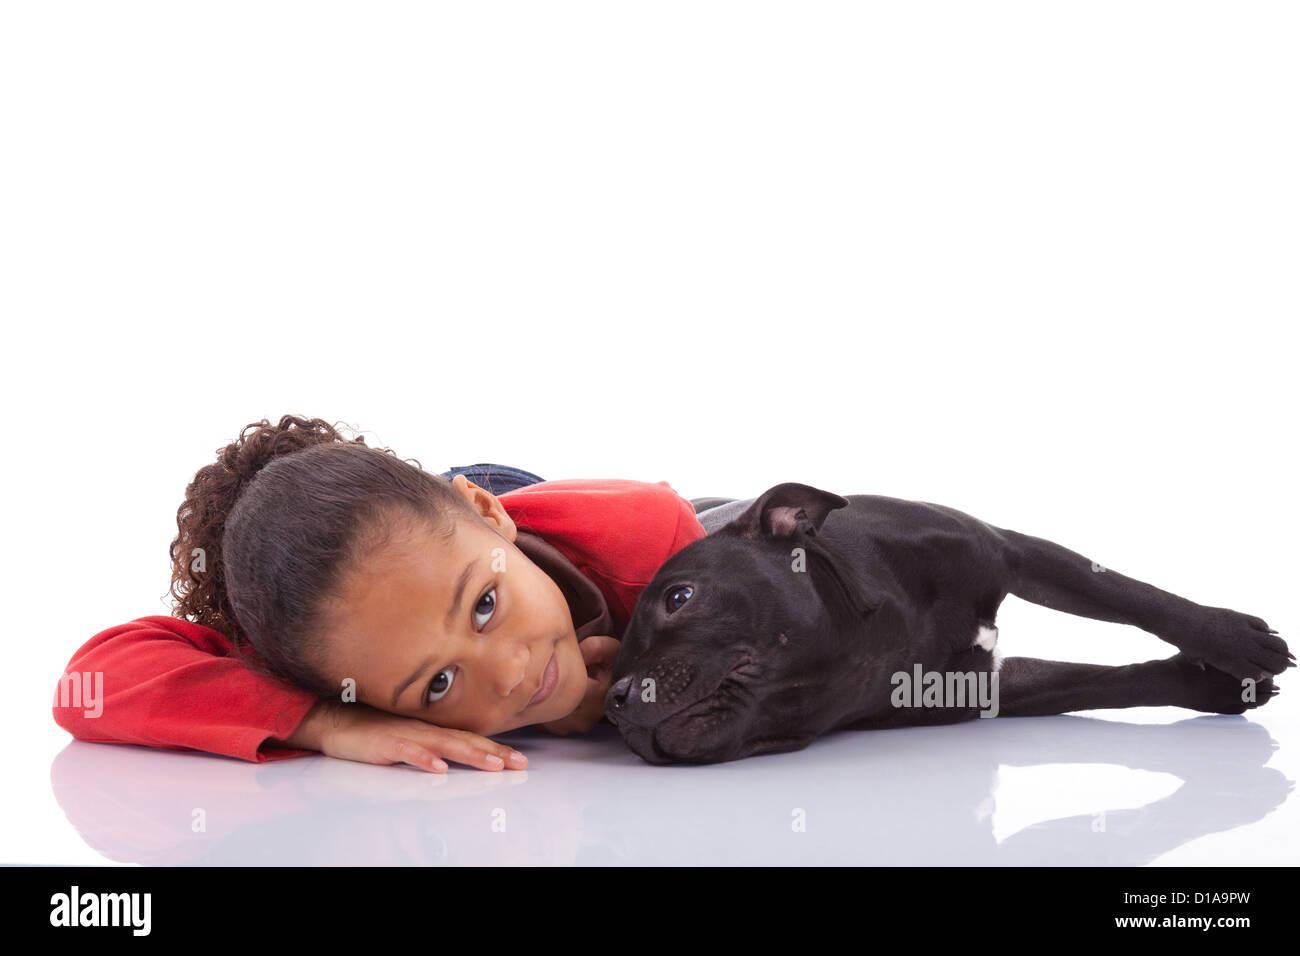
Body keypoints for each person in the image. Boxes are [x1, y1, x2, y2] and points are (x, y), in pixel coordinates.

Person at [51, 415, 710, 774]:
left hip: (504, 509)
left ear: (485, 514)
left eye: (485, 605)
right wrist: (332, 724)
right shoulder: (336, 643)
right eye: (439, 684)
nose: (511, 673)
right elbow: (90, 680)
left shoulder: (648, 547)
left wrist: (637, 685)